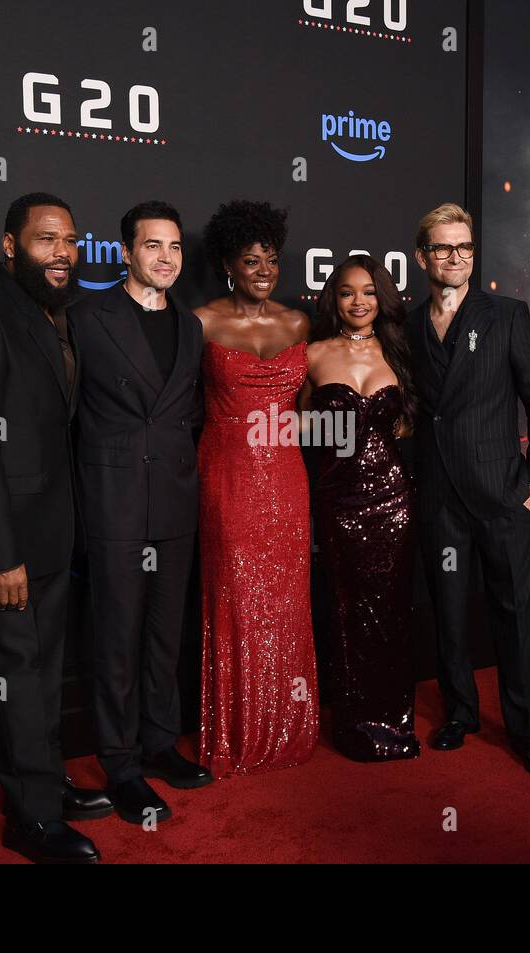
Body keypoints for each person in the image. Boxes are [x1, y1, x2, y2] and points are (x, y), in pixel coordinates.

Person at [0, 192, 110, 864]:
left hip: (51, 536)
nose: (63, 252)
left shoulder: (45, 312)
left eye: (69, 240)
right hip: (6, 547)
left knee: (43, 670)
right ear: (10, 246)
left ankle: (48, 782)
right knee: (16, 670)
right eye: (46, 239)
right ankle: (30, 819)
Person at [69, 200, 212, 824]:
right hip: (114, 504)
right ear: (126, 251)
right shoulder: (85, 319)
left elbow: (190, 415)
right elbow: (64, 417)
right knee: (117, 641)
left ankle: (160, 744)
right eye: (153, 246)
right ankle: (121, 765)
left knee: (163, 636)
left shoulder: (191, 325)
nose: (166, 258)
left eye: (175, 247)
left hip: (177, 504)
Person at [406, 202, 530, 779]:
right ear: (423, 257)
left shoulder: (508, 316)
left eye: (464, 247)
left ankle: (528, 733)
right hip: (441, 497)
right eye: (443, 247)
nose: (455, 257)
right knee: (448, 613)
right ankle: (460, 713)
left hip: (501, 494)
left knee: (515, 616)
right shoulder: (413, 325)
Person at [194, 199, 318, 778]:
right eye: (251, 260)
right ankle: (237, 730)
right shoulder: (200, 322)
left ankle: (289, 723)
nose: (264, 270)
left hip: (289, 484)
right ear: (229, 265)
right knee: (236, 602)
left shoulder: (298, 323)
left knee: (287, 604)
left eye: (271, 259)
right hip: (228, 476)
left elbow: (317, 406)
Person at [302, 255, 420, 762]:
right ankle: (353, 726)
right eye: (347, 292)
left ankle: (395, 721)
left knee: (391, 612)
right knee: (346, 612)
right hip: (338, 500)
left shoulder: (399, 350)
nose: (358, 301)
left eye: (369, 292)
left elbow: (410, 421)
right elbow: (299, 432)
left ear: (382, 298)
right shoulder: (312, 355)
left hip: (393, 500)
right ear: (334, 297)